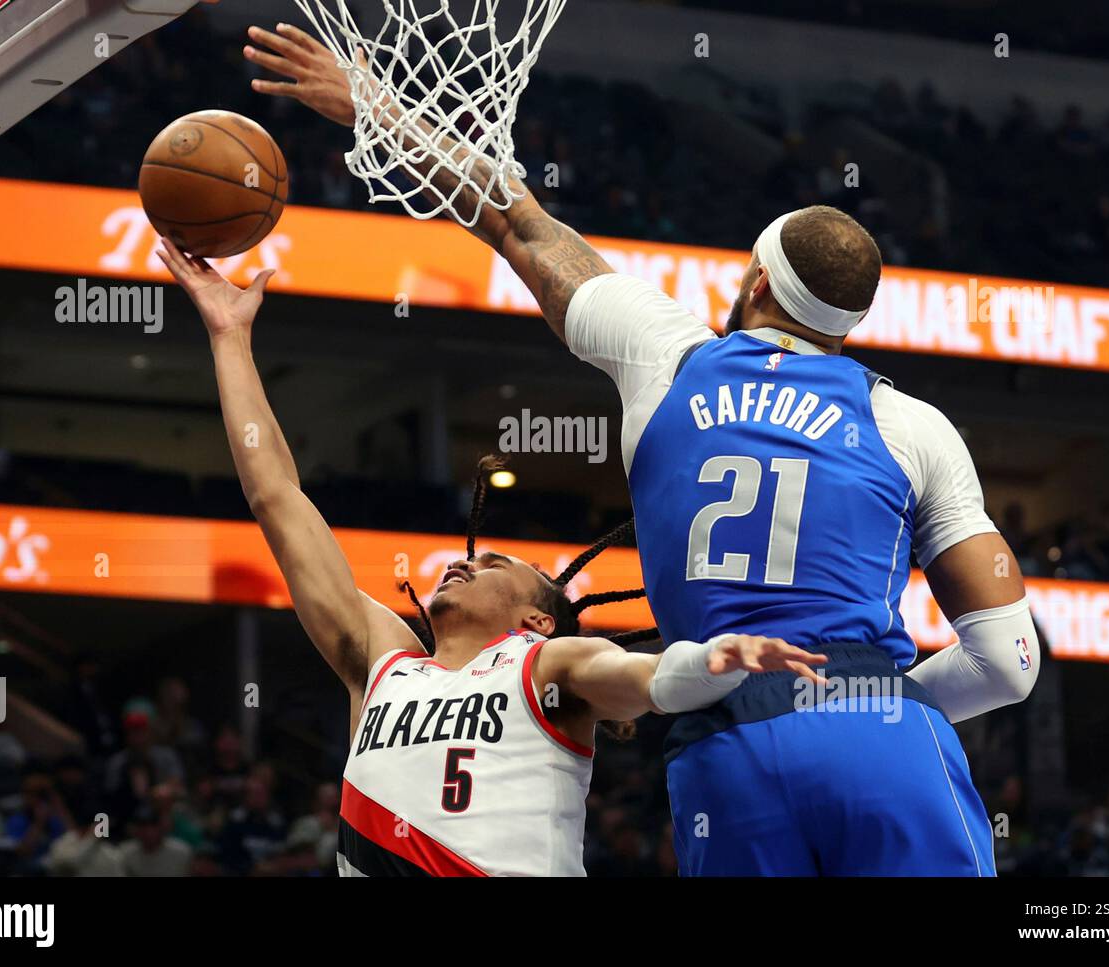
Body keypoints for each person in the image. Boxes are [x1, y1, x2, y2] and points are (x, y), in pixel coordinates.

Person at [240, 24, 1038, 876]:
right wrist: (875, 704)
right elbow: (1007, 663)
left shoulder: (668, 355)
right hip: (876, 729)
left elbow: (517, 222)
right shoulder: (911, 425)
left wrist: (371, 105)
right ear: (848, 323)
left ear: (757, 280)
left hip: (725, 742)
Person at [157, 237, 823, 877]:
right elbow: (277, 497)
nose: (465, 562)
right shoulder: (381, 658)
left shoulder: (547, 666)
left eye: (496, 564)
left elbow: (645, 681)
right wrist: (228, 337)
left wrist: (709, 660)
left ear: (534, 620)